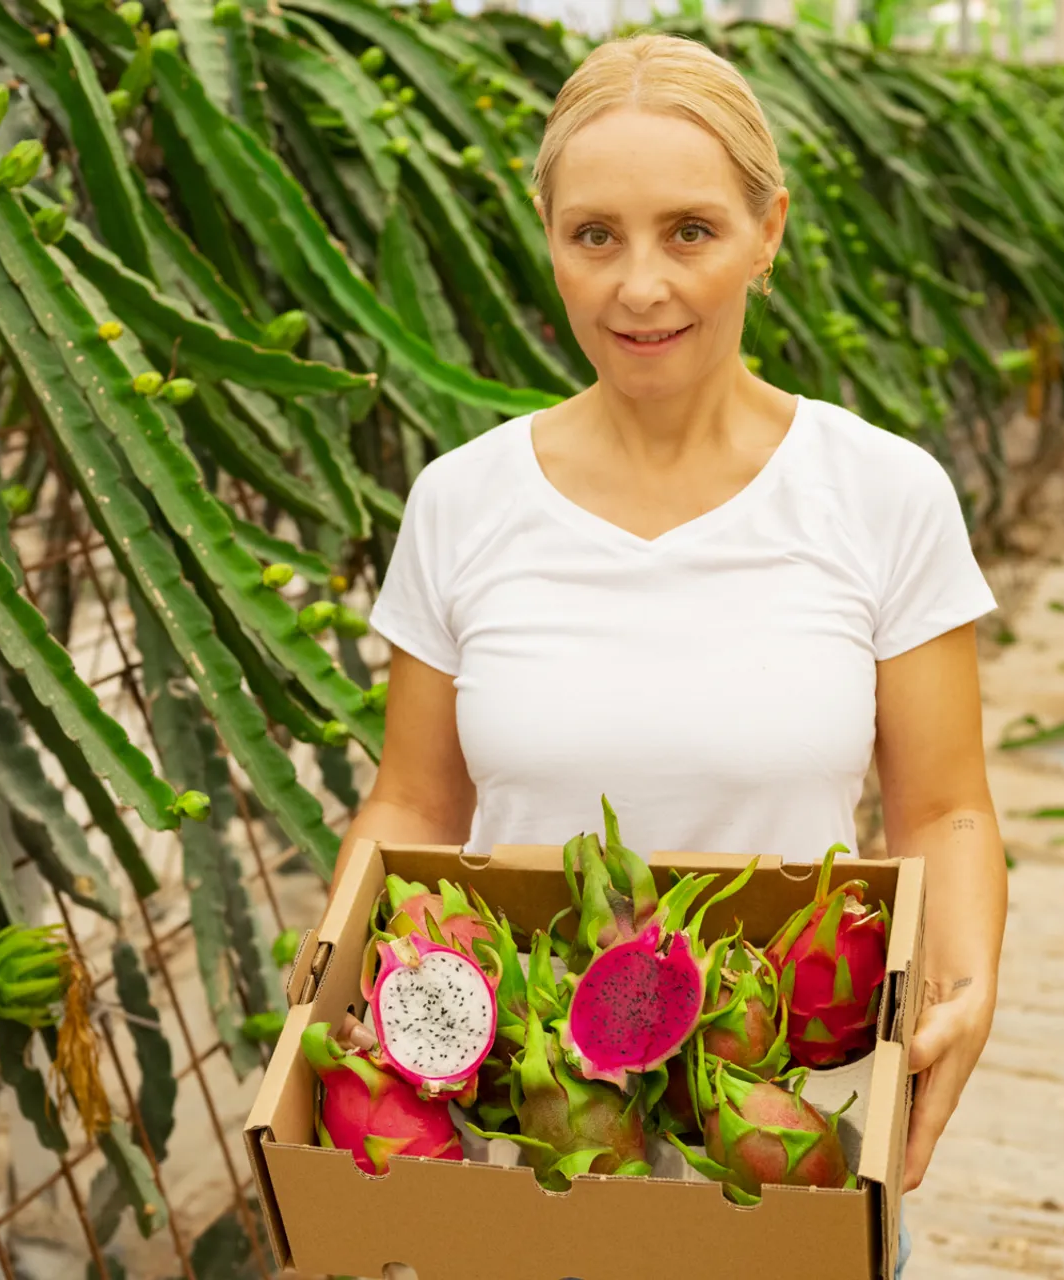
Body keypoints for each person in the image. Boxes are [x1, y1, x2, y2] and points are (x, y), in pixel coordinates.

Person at [336, 31, 1008, 1278]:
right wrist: (336, 975)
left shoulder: (880, 493)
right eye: (596, 235)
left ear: (770, 232)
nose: (640, 284)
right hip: (513, 1174)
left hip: (782, 1165)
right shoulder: (461, 500)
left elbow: (945, 803)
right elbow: (415, 797)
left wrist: (964, 985)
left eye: (690, 230)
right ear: (548, 239)